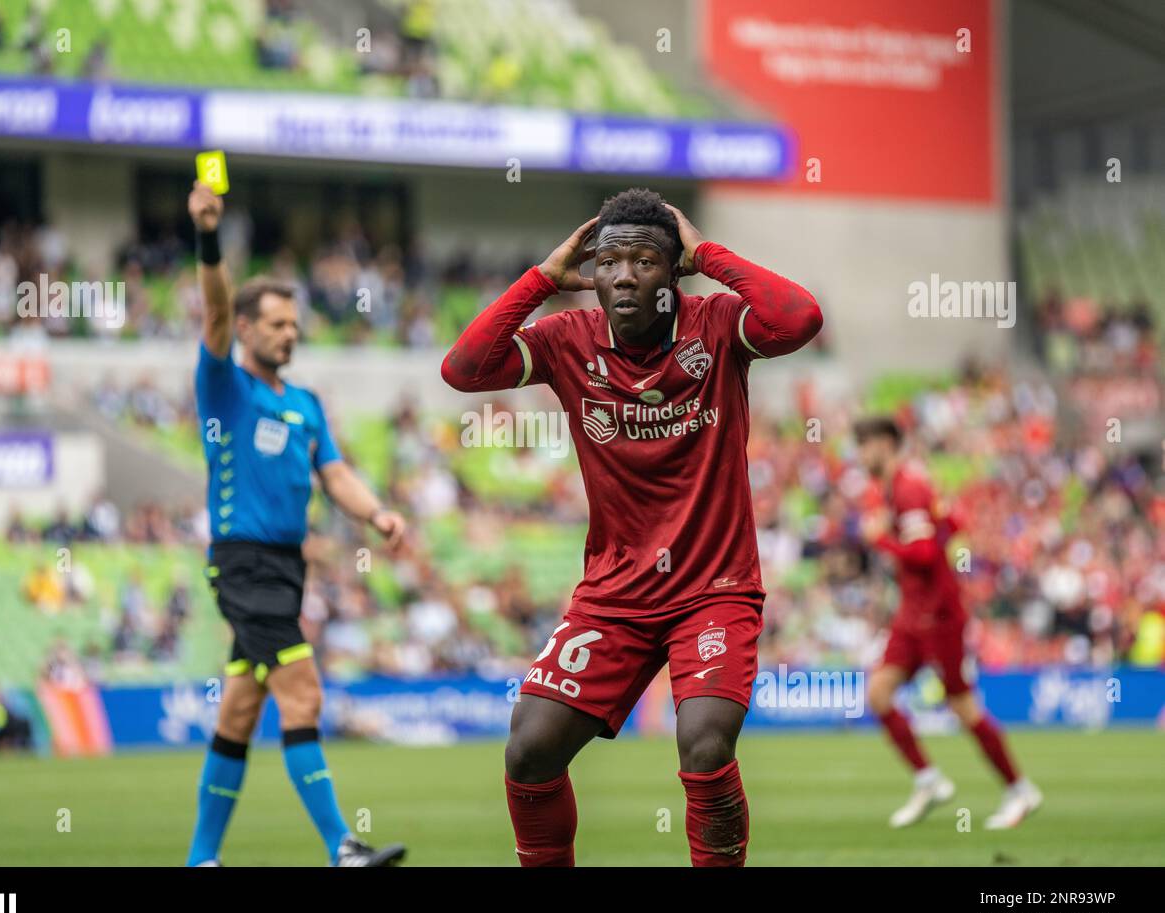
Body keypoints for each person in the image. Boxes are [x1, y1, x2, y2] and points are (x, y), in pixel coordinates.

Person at [441, 188, 823, 866]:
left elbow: (800, 318)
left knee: (705, 741)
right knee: (530, 748)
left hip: (714, 589)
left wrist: (712, 255)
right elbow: (463, 369)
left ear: (674, 272)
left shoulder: (718, 325)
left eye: (645, 261)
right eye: (608, 261)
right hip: (615, 593)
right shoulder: (569, 340)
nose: (621, 275)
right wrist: (541, 280)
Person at [185, 179, 408, 867]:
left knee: (239, 715)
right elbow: (216, 312)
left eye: (293, 324)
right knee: (303, 694)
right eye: (277, 324)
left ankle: (201, 860)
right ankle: (343, 847)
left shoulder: (306, 403)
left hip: (286, 568)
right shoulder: (226, 385)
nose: (290, 333)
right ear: (246, 330)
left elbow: (334, 474)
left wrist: (376, 512)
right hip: (243, 561)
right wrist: (208, 236)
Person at [855, 416, 1042, 829]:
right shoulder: (896, 489)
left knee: (963, 707)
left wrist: (880, 540)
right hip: (911, 615)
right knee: (880, 693)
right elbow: (953, 523)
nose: (861, 454)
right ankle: (929, 780)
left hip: (938, 617)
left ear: (887, 445)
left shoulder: (908, 488)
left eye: (866, 445)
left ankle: (1019, 789)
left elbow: (921, 553)